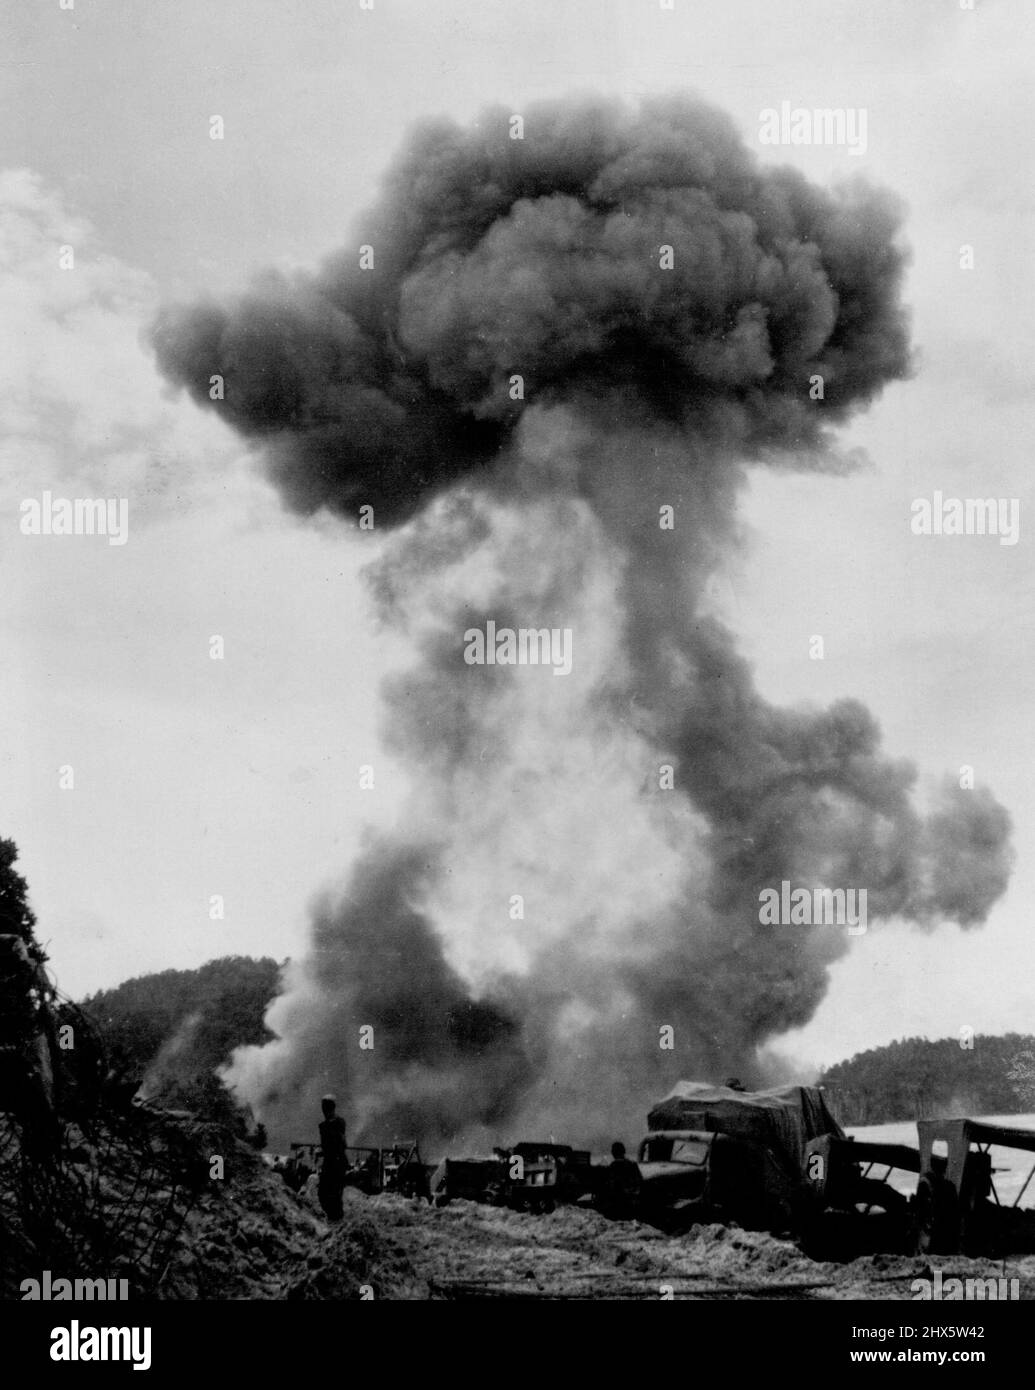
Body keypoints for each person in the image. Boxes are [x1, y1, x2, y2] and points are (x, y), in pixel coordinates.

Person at [317, 1094, 348, 1220]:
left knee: (333, 1193)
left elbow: (340, 1143)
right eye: (323, 1107)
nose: (324, 1110)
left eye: (326, 1107)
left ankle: (336, 1220)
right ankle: (334, 1218)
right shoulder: (324, 1126)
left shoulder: (337, 1123)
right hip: (331, 1161)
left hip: (336, 1161)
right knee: (324, 1193)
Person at [601, 1140, 642, 1219]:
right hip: (632, 1204)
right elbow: (639, 1182)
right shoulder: (632, 1165)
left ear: (613, 1153)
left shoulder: (612, 1167)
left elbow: (609, 1186)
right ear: (624, 1151)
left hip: (616, 1205)